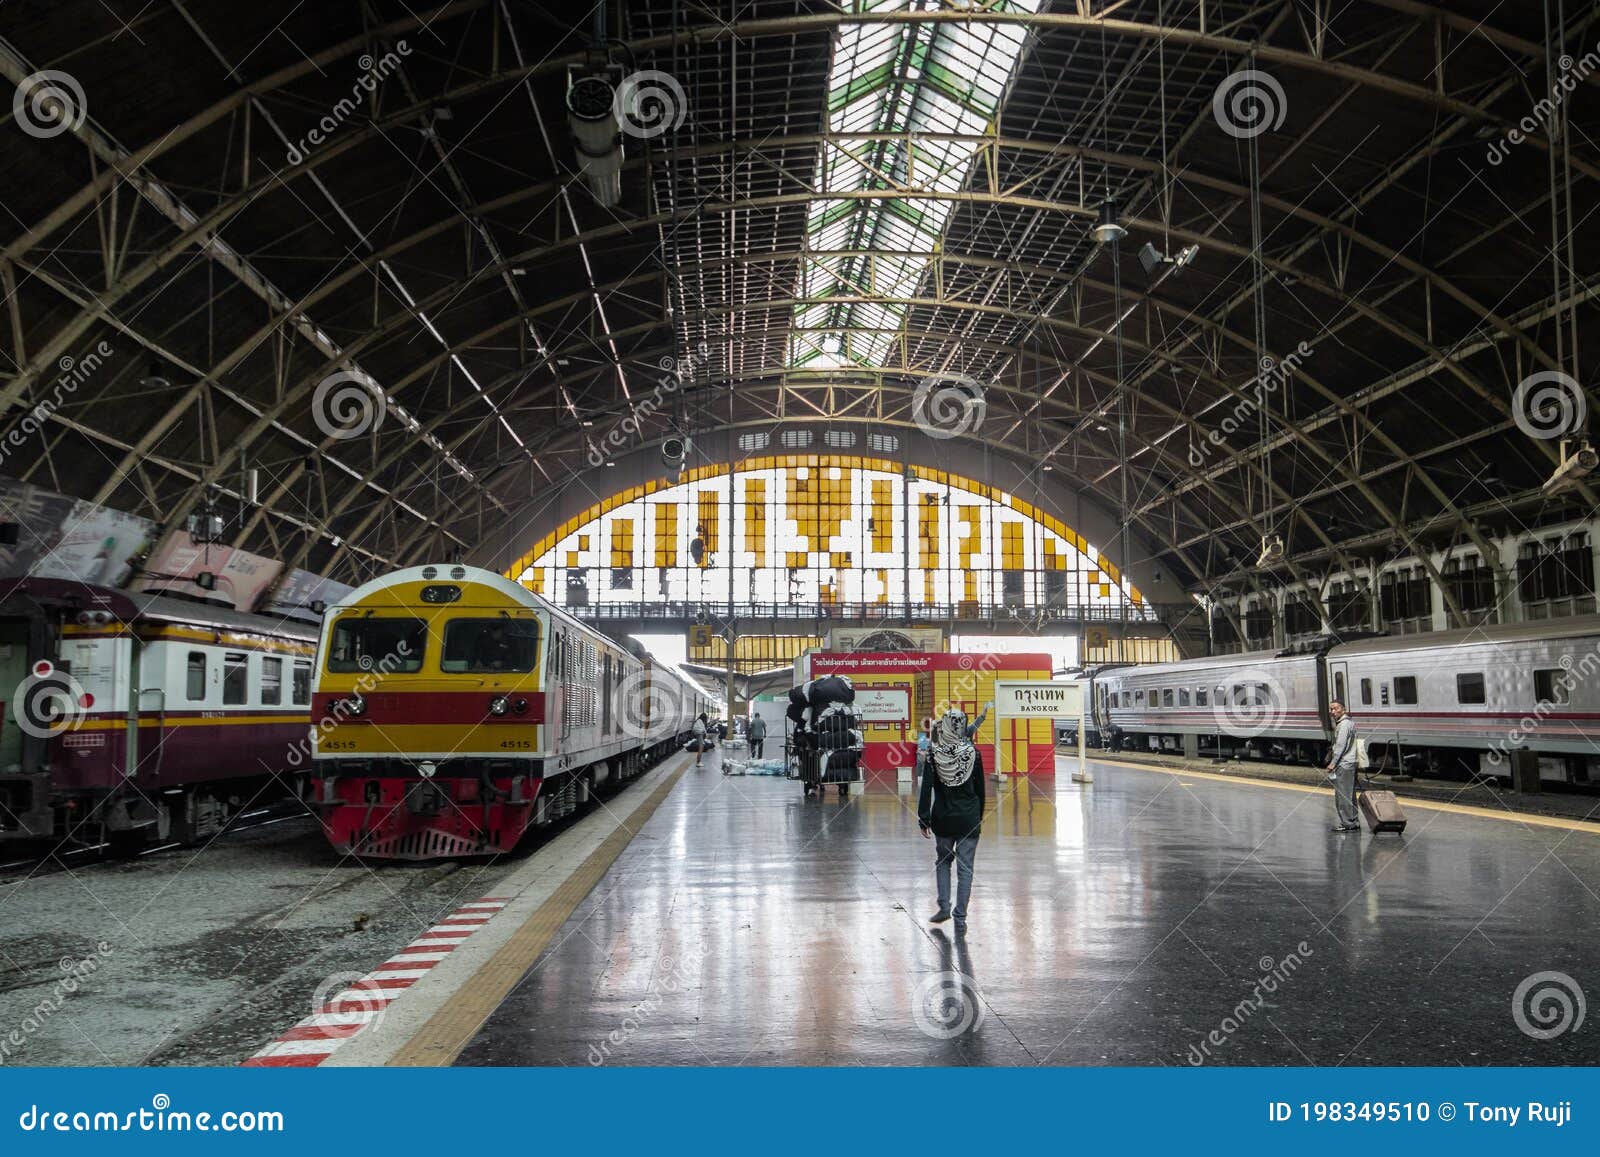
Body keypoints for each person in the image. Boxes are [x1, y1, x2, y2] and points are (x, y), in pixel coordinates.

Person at [917, 709, 986, 937]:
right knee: (966, 869)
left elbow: (926, 788)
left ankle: (944, 907)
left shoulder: (933, 755)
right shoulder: (974, 753)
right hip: (969, 820)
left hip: (943, 819)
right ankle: (960, 917)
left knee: (943, 862)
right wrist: (979, 817)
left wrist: (923, 818)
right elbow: (981, 791)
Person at [1326, 700, 1360, 833]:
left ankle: (1347, 823)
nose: (1332, 712)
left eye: (1335, 709)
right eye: (1331, 709)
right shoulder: (1349, 722)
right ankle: (1353, 821)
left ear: (1343, 709)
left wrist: (1333, 763)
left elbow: (1340, 746)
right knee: (1350, 794)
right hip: (1350, 763)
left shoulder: (1344, 725)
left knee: (1342, 795)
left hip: (1344, 764)